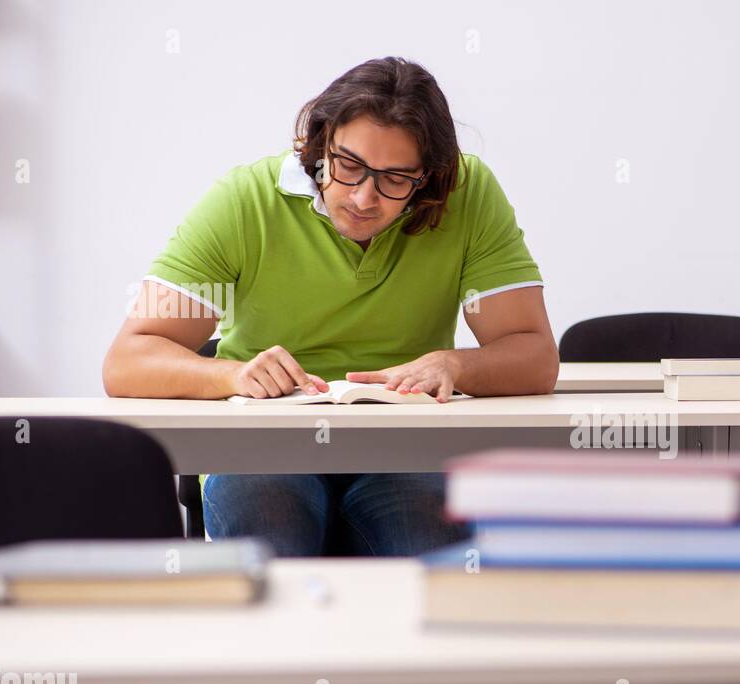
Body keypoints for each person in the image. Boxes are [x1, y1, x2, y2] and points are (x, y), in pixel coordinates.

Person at [102, 57, 558, 557]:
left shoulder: (468, 197)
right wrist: (232, 376)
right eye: (349, 166)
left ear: (427, 178)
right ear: (320, 144)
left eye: (396, 179)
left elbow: (533, 356)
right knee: (273, 551)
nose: (365, 197)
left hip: (405, 449)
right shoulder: (245, 201)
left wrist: (457, 364)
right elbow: (129, 359)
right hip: (265, 448)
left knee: (433, 557)